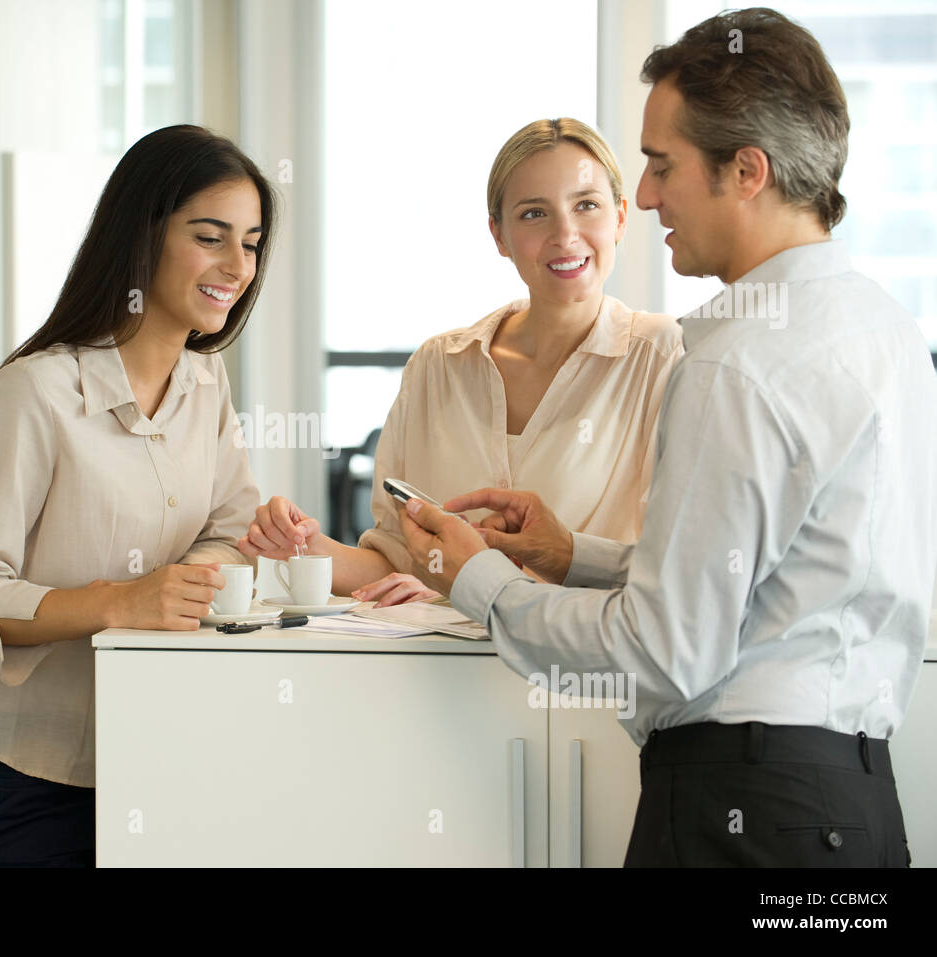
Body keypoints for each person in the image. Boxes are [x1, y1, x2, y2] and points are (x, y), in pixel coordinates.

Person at [398, 8, 937, 867]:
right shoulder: (887, 330)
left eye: (661, 166)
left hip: (741, 812)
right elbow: (776, 576)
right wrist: (574, 553)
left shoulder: (735, 363)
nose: (643, 197)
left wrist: (484, 582)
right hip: (859, 809)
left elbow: (665, 652)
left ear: (746, 171)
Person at [0, 125, 274, 866]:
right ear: (141, 234)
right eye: (210, 236)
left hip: (152, 753)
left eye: (250, 242)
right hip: (17, 773)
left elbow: (231, 527)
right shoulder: (35, 393)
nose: (236, 265)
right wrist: (120, 600)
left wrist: (192, 577)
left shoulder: (203, 381)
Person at [238, 119, 683, 604]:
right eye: (534, 213)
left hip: (579, 674)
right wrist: (303, 547)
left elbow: (674, 570)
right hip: (435, 675)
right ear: (499, 235)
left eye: (587, 205)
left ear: (619, 217)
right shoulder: (438, 366)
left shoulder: (662, 357)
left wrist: (471, 588)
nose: (565, 233)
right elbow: (394, 561)